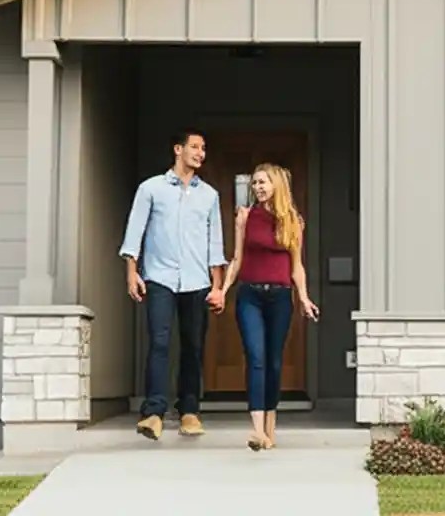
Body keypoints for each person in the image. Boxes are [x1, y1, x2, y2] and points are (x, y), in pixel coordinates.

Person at [118, 128, 227, 441]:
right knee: (160, 343)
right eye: (194, 147)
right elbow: (134, 231)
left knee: (193, 347)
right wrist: (132, 272)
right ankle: (153, 412)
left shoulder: (209, 195)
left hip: (197, 281)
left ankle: (189, 410)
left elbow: (215, 244)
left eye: (203, 148)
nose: (200, 153)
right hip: (160, 278)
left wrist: (217, 287)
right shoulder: (151, 189)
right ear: (178, 149)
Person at [211, 162, 319, 451]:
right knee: (256, 358)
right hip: (250, 296)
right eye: (255, 183)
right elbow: (236, 259)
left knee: (273, 362)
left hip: (281, 297)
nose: (258, 187)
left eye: (263, 182)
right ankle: (257, 430)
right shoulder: (245, 217)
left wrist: (304, 297)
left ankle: (271, 426)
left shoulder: (293, 220)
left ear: (276, 186)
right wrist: (222, 290)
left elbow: (297, 266)